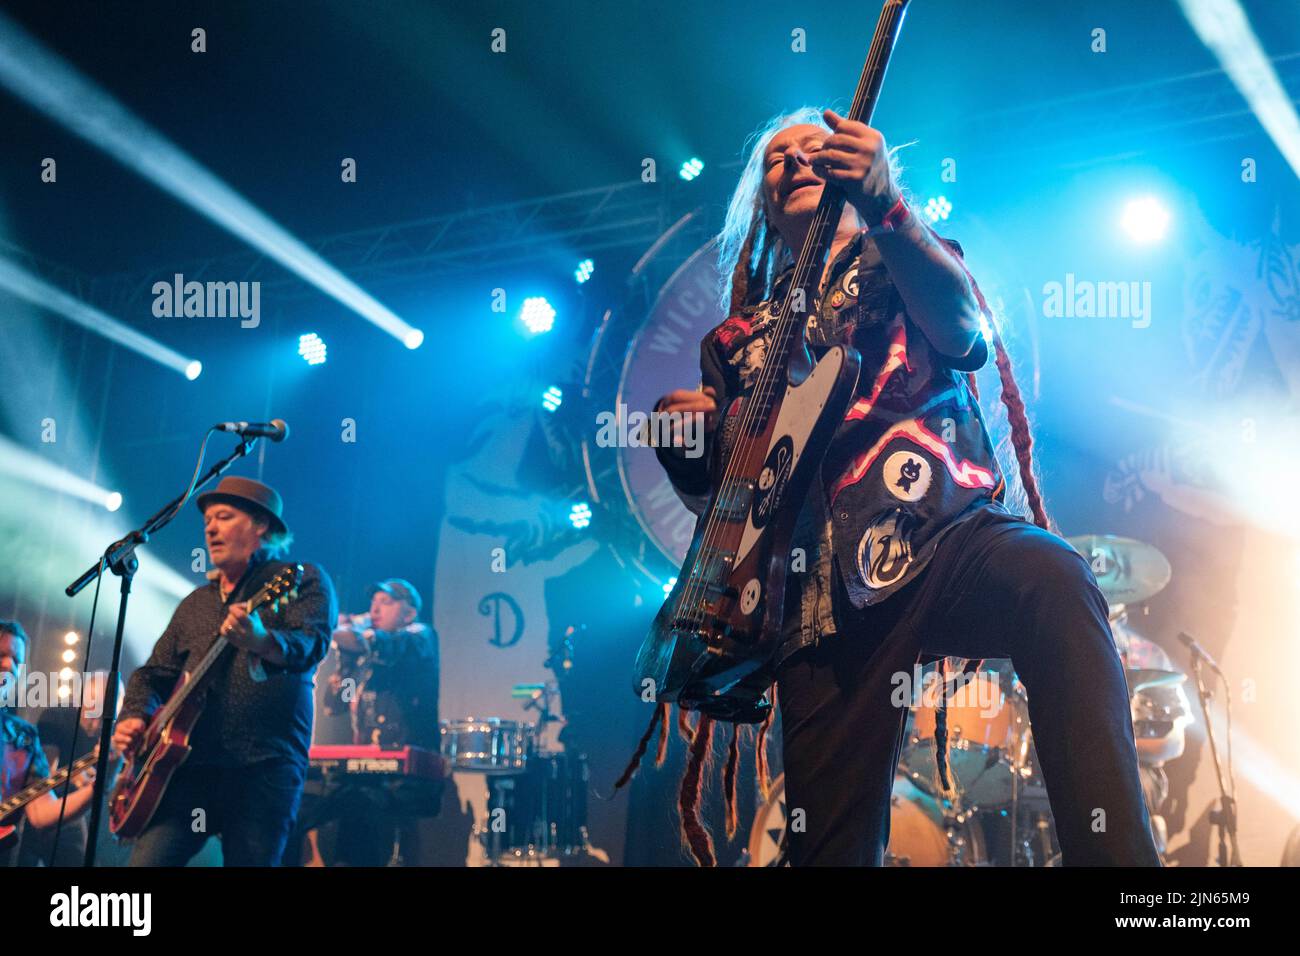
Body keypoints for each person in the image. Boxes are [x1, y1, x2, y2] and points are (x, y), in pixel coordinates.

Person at [651, 107, 1160, 866]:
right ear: (759, 203)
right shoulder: (734, 341)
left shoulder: (906, 256)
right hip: (815, 592)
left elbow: (963, 335)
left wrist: (888, 206)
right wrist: (681, 444)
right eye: (774, 161)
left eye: (811, 150)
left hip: (944, 533)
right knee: (829, 846)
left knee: (1053, 577)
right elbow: (725, 501)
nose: (793, 163)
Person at [112, 476, 337, 866]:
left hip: (262, 767)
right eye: (207, 521)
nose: (211, 528)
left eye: (224, 517)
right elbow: (153, 674)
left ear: (260, 525)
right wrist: (134, 716)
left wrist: (262, 640)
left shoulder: (301, 579)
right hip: (187, 771)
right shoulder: (196, 603)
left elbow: (311, 644)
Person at [294, 578, 440, 866]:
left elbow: (386, 646)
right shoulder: (363, 655)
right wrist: (346, 659)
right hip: (363, 772)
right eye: (373, 604)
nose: (375, 609)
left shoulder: (420, 636)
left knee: (358, 809)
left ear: (409, 613)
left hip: (407, 777)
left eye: (386, 603)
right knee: (295, 806)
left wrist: (338, 632)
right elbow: (333, 704)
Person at [0, 620, 100, 866]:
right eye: (1, 654)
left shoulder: (24, 737)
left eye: (16, 660)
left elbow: (41, 812)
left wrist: (97, 789)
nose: (8, 665)